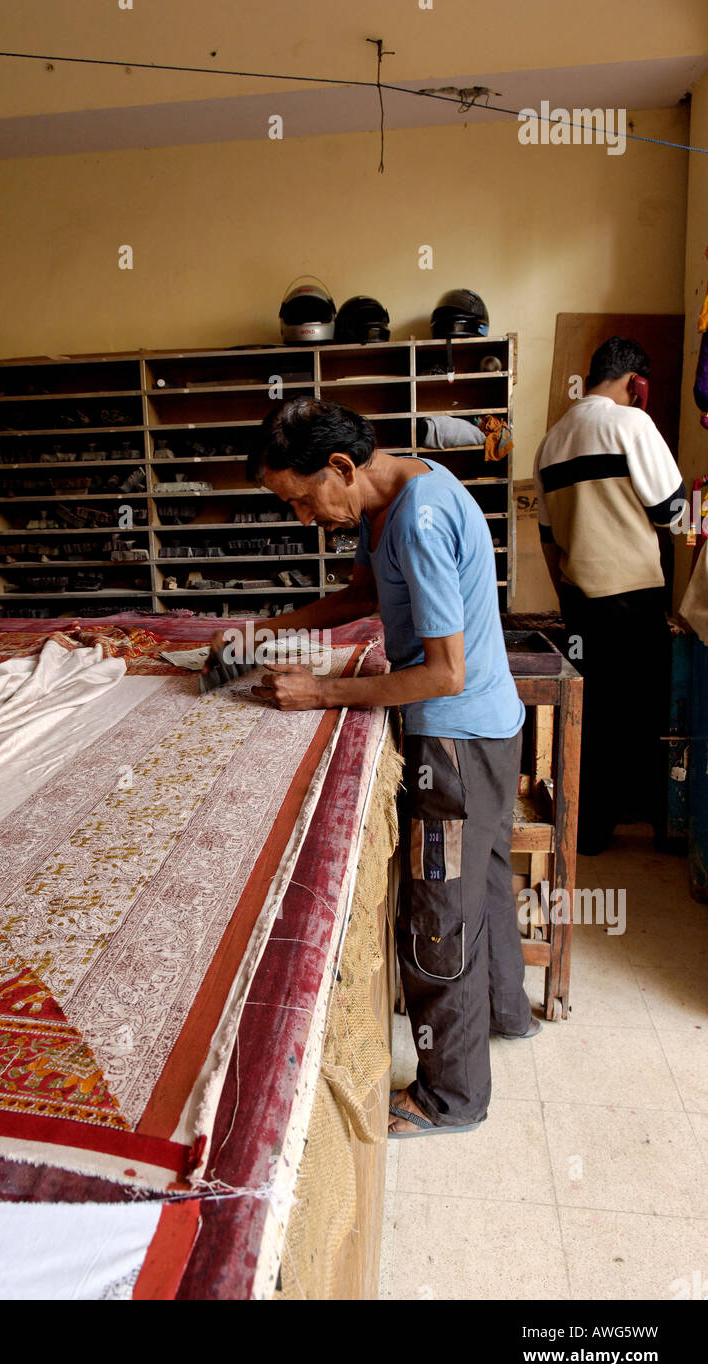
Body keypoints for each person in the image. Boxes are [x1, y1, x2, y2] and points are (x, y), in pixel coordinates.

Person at [207, 397, 533, 1138]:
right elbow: (361, 598)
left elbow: (444, 673)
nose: (300, 517)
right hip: (489, 728)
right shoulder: (392, 495)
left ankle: (451, 1096)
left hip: (454, 736)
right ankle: (507, 1015)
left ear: (341, 466)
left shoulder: (416, 520)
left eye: (299, 499)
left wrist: (320, 693)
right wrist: (263, 635)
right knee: (481, 878)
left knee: (439, 916)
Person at [533, 337, 685, 855]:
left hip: (581, 604)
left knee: (590, 716)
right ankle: (661, 825)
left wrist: (566, 597)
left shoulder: (550, 441)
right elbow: (671, 510)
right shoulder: (633, 424)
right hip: (634, 599)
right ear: (636, 383)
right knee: (648, 713)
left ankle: (590, 831)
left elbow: (549, 539)